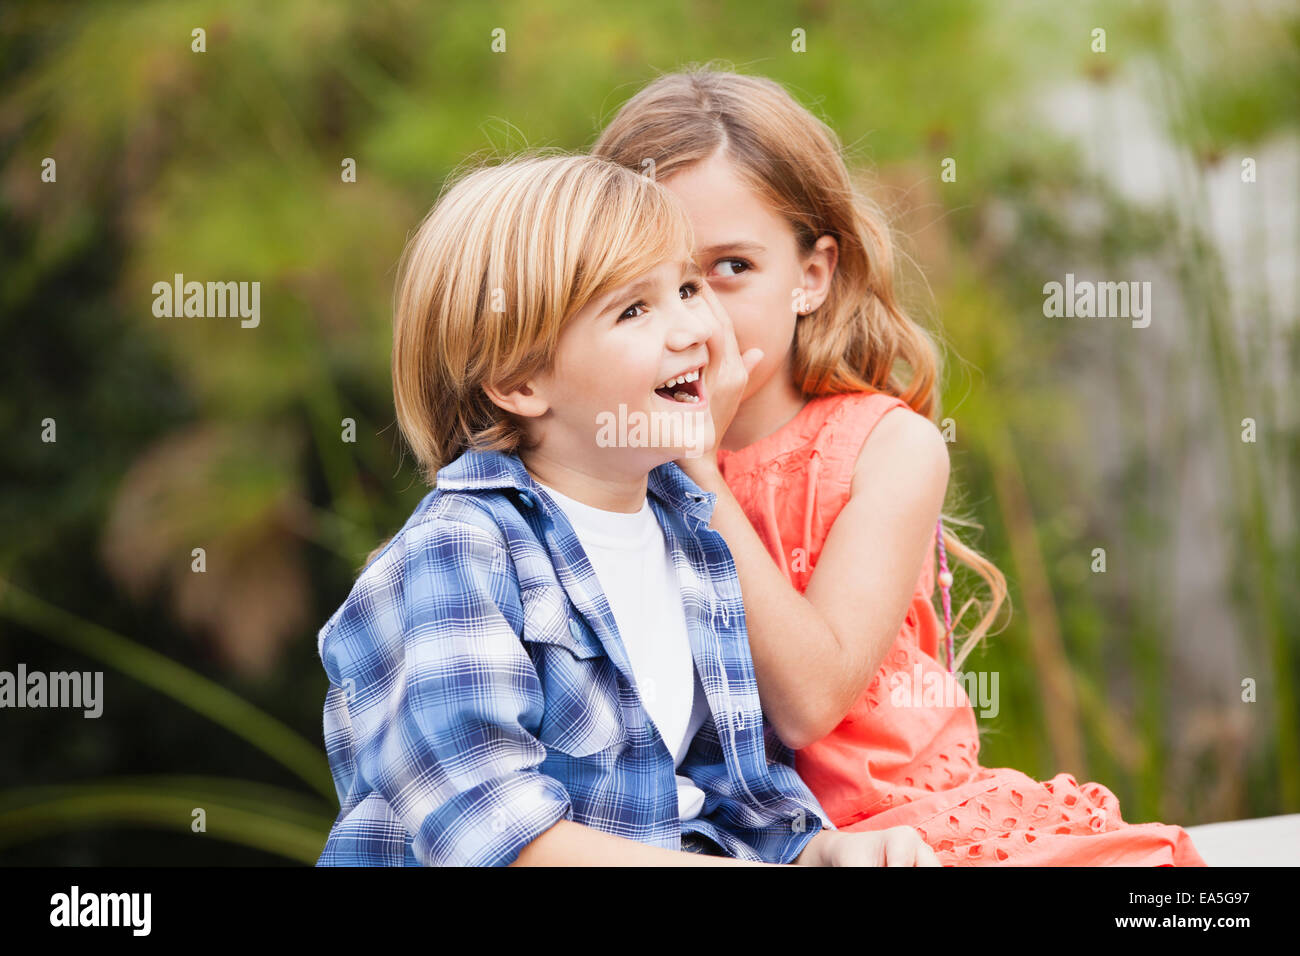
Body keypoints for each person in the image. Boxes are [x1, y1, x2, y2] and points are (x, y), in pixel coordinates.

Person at [592, 66, 1207, 866]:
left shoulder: (885, 449)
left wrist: (700, 476)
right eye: (652, 285)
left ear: (811, 276)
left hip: (903, 822)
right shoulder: (607, 468)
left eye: (729, 268)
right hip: (726, 845)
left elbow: (812, 702)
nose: (695, 314)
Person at [315, 152, 938, 866]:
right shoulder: (462, 551)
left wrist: (820, 853)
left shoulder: (687, 536)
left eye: (688, 287)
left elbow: (715, 797)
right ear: (519, 379)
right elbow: (497, 839)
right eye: (635, 310)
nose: (693, 330)